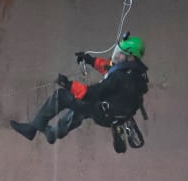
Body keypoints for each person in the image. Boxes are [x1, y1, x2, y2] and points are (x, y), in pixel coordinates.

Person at [10, 34, 149, 153]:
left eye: (121, 53)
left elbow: (92, 93)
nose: (117, 55)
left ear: (130, 57)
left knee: (63, 97)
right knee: (79, 109)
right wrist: (91, 60)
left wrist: (68, 85)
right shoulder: (136, 75)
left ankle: (33, 128)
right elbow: (111, 69)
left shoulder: (120, 78)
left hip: (103, 113)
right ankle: (53, 133)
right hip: (116, 115)